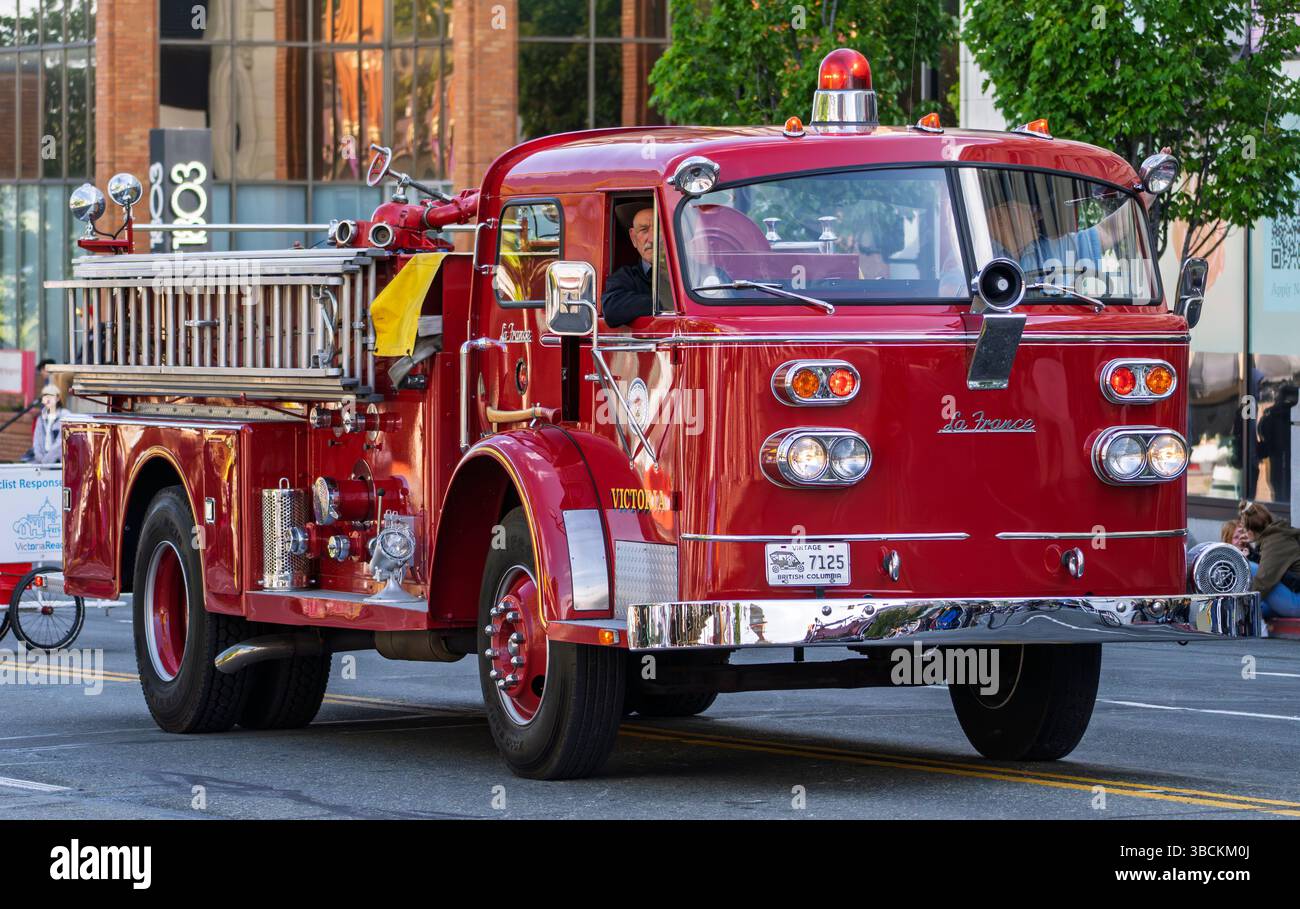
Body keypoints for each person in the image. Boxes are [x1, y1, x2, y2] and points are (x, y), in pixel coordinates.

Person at [1238, 501, 1300, 619]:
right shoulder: (1277, 534)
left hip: (1297, 601)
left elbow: (1263, 581)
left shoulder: (1275, 541)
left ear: (1250, 531)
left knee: (1249, 567)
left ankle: (1239, 612)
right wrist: (1252, 553)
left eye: (1244, 530)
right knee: (1261, 609)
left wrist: (1241, 605)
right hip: (1294, 595)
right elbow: (1270, 565)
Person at [601, 203, 656, 327]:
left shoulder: (690, 273)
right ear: (633, 238)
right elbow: (612, 309)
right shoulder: (625, 276)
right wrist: (665, 303)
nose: (652, 239)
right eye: (644, 230)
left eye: (659, 228)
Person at [27, 384, 66, 465]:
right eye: (45, 397)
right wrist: (40, 458)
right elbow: (36, 441)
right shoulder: (40, 419)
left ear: (58, 398)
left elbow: (60, 443)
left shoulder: (65, 416)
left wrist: (47, 460)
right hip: (41, 463)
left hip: (58, 464)